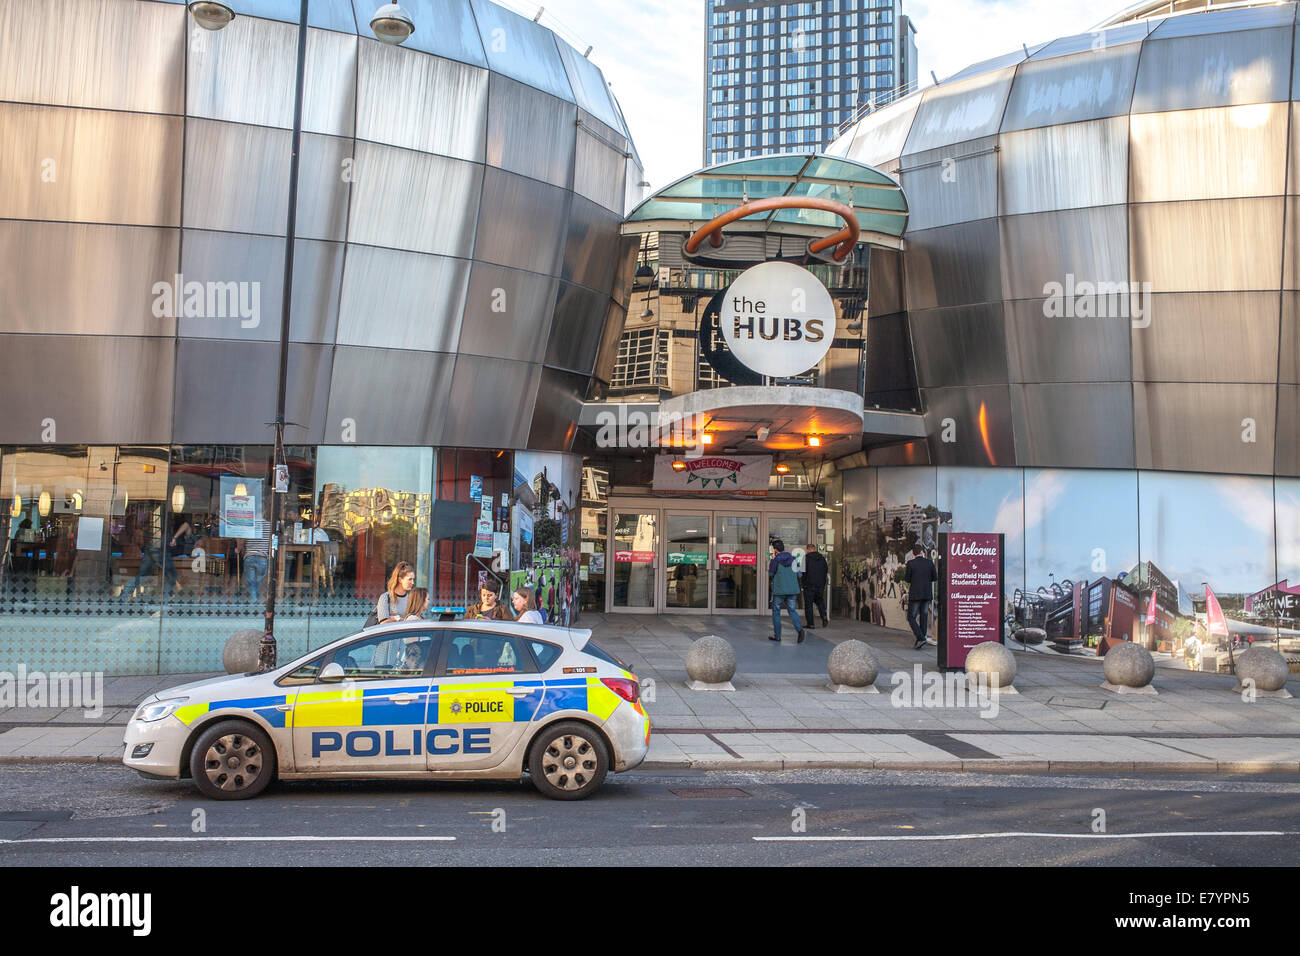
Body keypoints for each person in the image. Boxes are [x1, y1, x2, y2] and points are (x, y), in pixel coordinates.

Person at [768, 538, 804, 643]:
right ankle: (800, 630)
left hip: (779, 590)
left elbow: (770, 574)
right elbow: (800, 574)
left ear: (775, 550)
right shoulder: (793, 559)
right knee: (792, 610)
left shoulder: (775, 560)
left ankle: (778, 636)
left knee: (776, 612)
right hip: (792, 590)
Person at [904, 544, 937, 650]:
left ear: (913, 554)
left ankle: (921, 638)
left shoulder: (910, 564)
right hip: (927, 594)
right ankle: (921, 639)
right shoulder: (929, 563)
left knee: (911, 617)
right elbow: (934, 577)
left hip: (915, 594)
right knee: (924, 616)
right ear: (922, 552)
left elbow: (907, 579)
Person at [802, 542, 829, 629]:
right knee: (820, 601)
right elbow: (825, 571)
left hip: (809, 585)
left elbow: (803, 573)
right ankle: (824, 616)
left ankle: (811, 624)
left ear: (808, 549)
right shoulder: (822, 559)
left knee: (808, 604)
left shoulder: (806, 558)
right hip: (820, 585)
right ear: (815, 549)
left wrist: (803, 583)